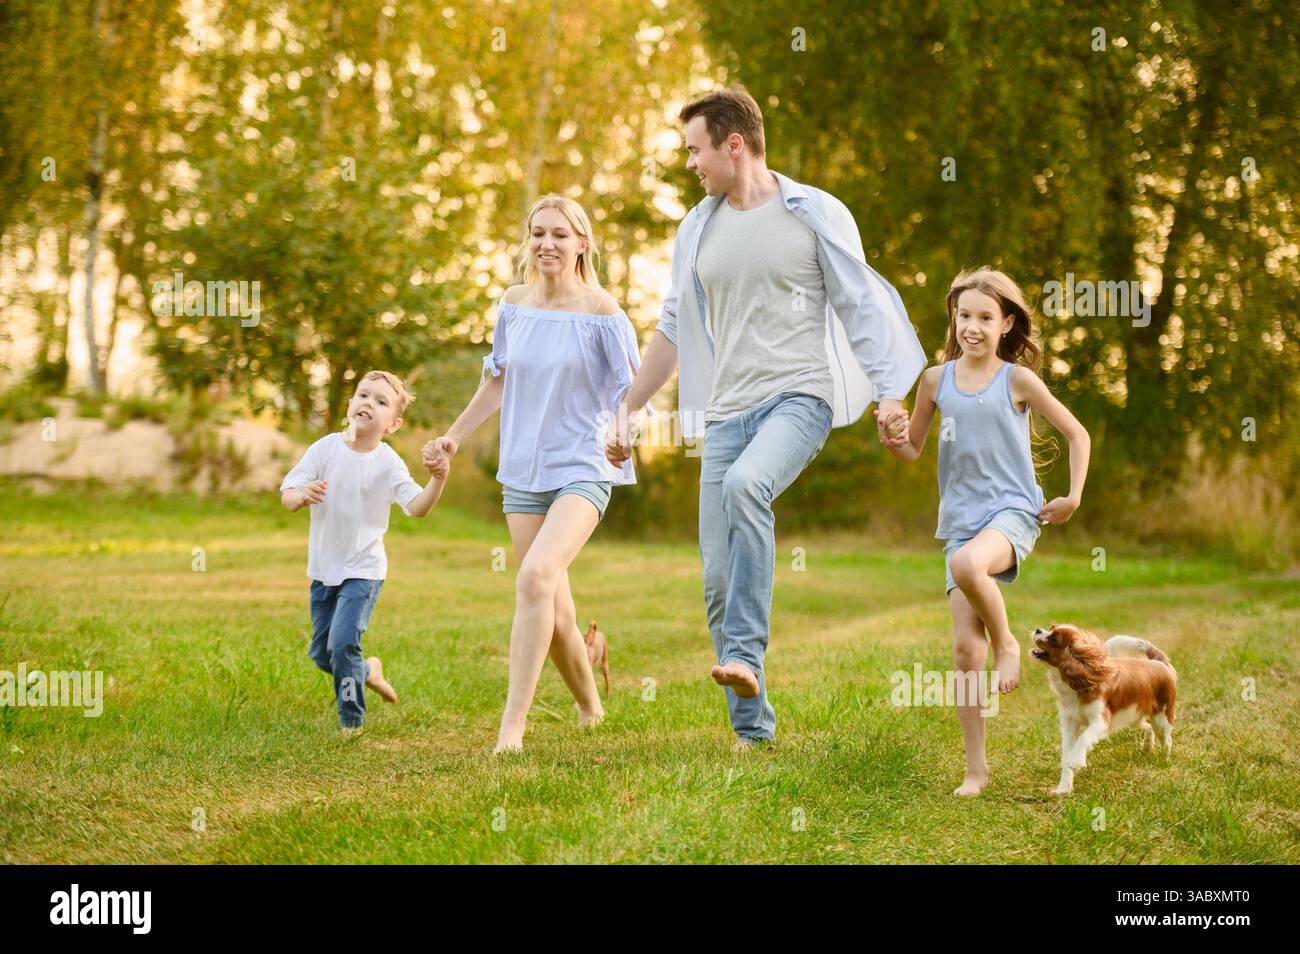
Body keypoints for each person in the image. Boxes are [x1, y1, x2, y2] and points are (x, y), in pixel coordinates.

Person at [606, 85, 926, 750]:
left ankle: (746, 656)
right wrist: (629, 408)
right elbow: (673, 327)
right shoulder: (697, 228)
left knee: (748, 486)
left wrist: (891, 393)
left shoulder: (812, 214)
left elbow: (861, 307)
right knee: (718, 584)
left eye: (696, 149)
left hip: (797, 398)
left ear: (733, 143)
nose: (690, 163)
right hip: (726, 414)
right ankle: (753, 732)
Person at [424, 194, 648, 753]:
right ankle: (591, 704)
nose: (548, 243)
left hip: (584, 466)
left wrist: (626, 434)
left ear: (582, 243)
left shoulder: (602, 312)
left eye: (560, 234)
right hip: (523, 469)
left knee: (533, 579)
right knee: (555, 612)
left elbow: (633, 394)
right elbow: (497, 380)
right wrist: (454, 434)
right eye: (538, 233)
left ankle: (511, 732)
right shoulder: (513, 303)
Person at [883, 268, 1091, 795]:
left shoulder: (1016, 381)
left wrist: (1073, 496)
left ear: (1006, 324)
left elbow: (1076, 432)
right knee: (962, 651)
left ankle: (1010, 644)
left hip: (1013, 512)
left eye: (984, 318)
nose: (971, 327)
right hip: (961, 521)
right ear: (954, 318)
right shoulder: (935, 380)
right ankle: (976, 769)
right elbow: (912, 450)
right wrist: (892, 436)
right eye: (964, 316)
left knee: (969, 567)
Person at [280, 370, 449, 732]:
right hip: (324, 569)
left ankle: (351, 722)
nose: (368, 403)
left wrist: (438, 478)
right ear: (350, 403)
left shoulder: (388, 463)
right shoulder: (324, 448)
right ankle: (367, 670)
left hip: (364, 570)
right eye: (363, 395)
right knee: (322, 654)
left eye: (381, 401)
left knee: (341, 646)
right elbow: (288, 492)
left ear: (394, 424)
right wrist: (301, 496)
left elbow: (418, 507)